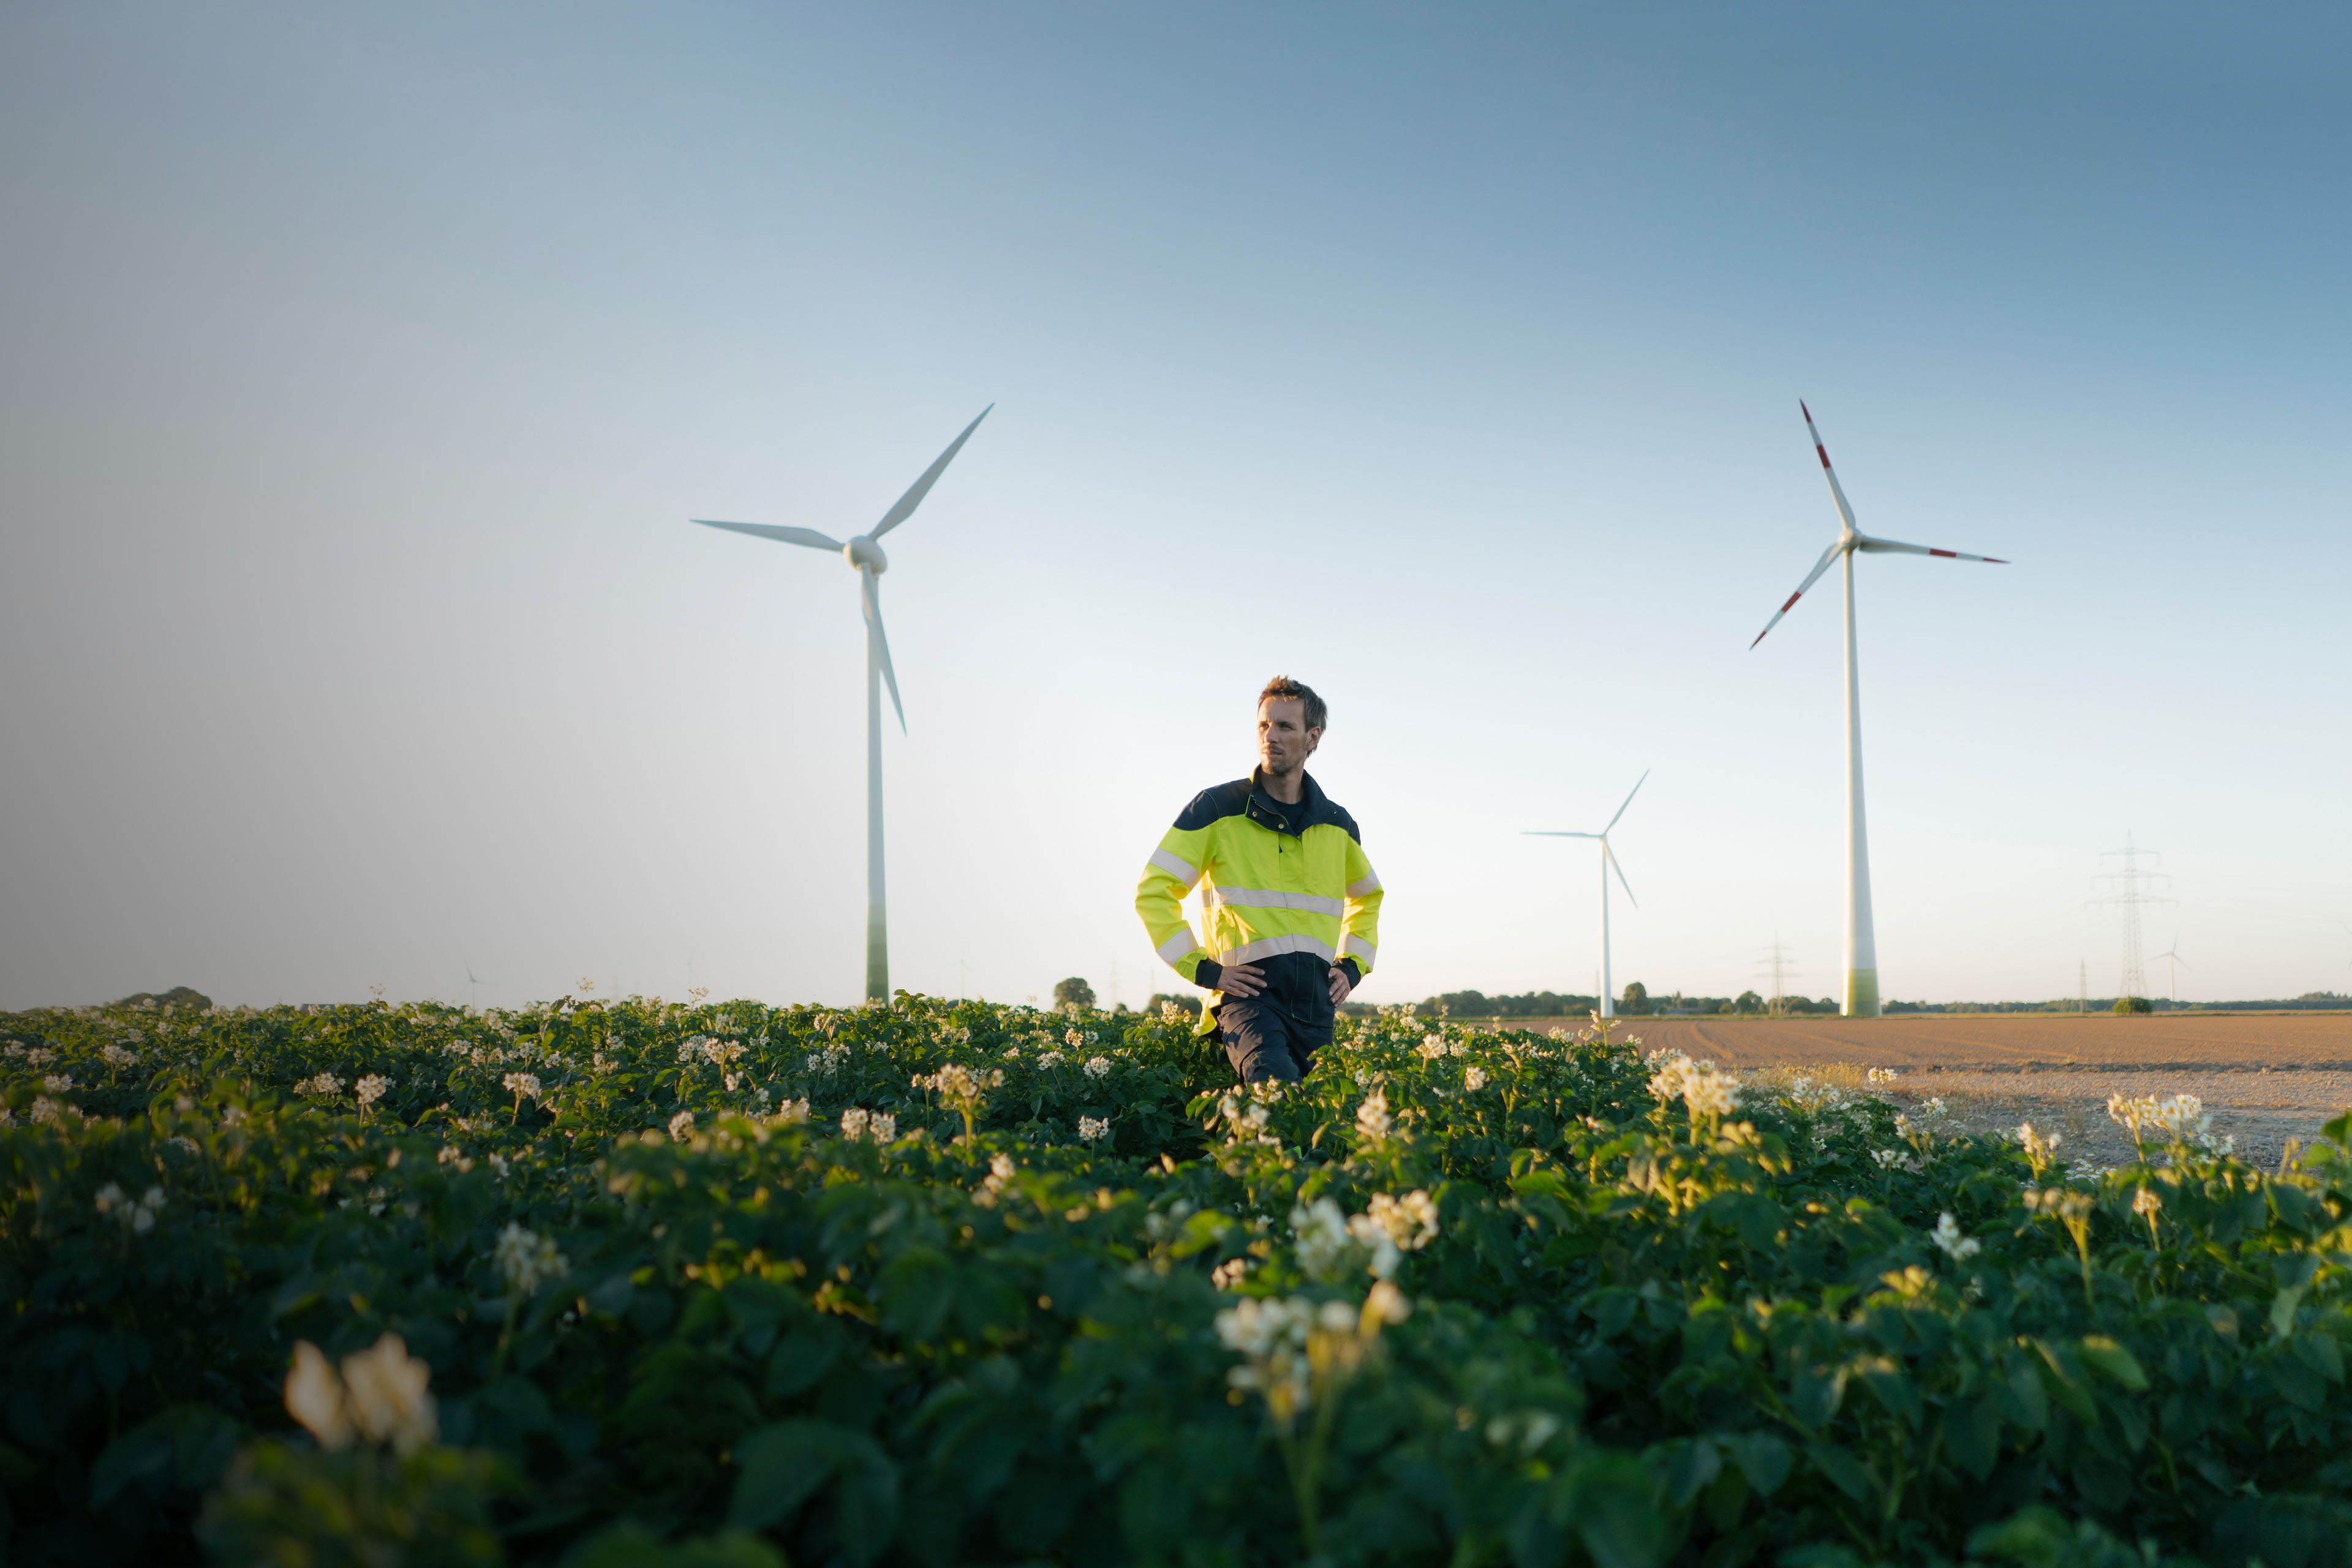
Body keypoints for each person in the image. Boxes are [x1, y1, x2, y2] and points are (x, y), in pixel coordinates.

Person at [1134, 676, 1382, 1083]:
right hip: (1246, 1000)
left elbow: (1368, 898)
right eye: (1264, 726)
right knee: (1274, 1087)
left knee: (1318, 1119)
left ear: (1312, 737)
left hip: (1316, 1005)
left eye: (1285, 727)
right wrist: (1205, 970)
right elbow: (1153, 891)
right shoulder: (1216, 808)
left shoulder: (1339, 825)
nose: (1271, 736)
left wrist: (1352, 967)